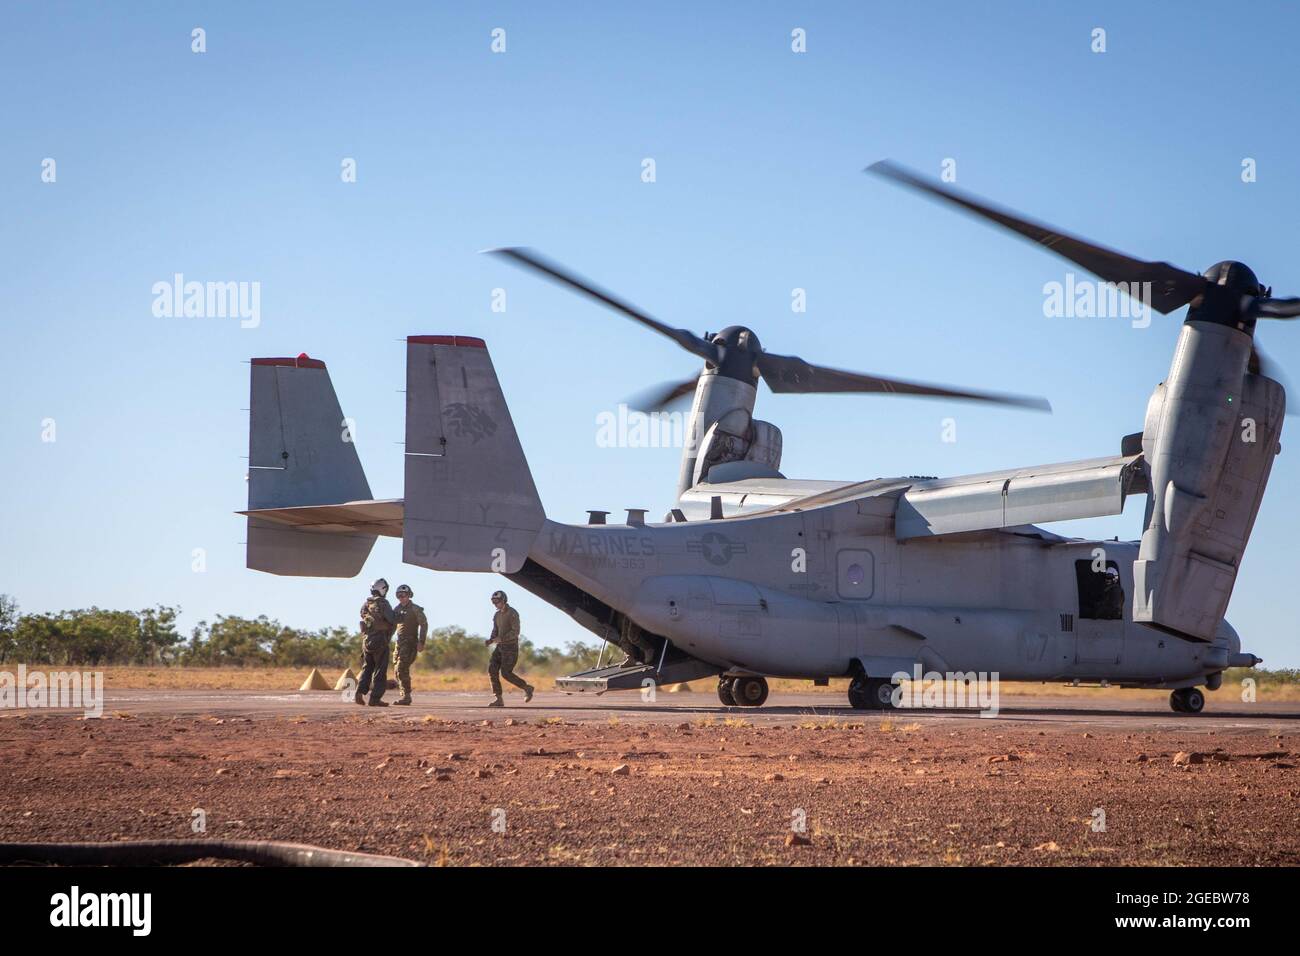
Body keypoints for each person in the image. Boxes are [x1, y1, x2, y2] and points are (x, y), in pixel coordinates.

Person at [485, 590, 534, 708]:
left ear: (503, 600)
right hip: (499, 647)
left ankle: (527, 688)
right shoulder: (497, 615)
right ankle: (498, 699)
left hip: (510, 648)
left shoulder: (512, 613)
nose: (495, 604)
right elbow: (495, 631)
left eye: (497, 602)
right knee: (492, 670)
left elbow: (515, 632)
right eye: (493, 602)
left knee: (506, 673)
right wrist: (491, 640)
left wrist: (501, 639)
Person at [355, 578, 396, 707]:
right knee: (380, 670)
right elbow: (392, 619)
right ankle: (375, 699)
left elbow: (364, 616)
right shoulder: (383, 604)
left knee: (367, 668)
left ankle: (359, 692)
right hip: (380, 641)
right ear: (383, 589)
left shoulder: (367, 604)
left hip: (367, 641)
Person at [391, 584, 428, 706]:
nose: (402, 598)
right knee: (397, 669)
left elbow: (424, 624)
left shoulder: (415, 609)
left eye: (404, 595)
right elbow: (391, 626)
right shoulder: (396, 609)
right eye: (399, 595)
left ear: (409, 595)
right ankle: (404, 695)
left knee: (402, 668)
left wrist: (421, 641)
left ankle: (406, 697)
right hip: (399, 643)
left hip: (410, 642)